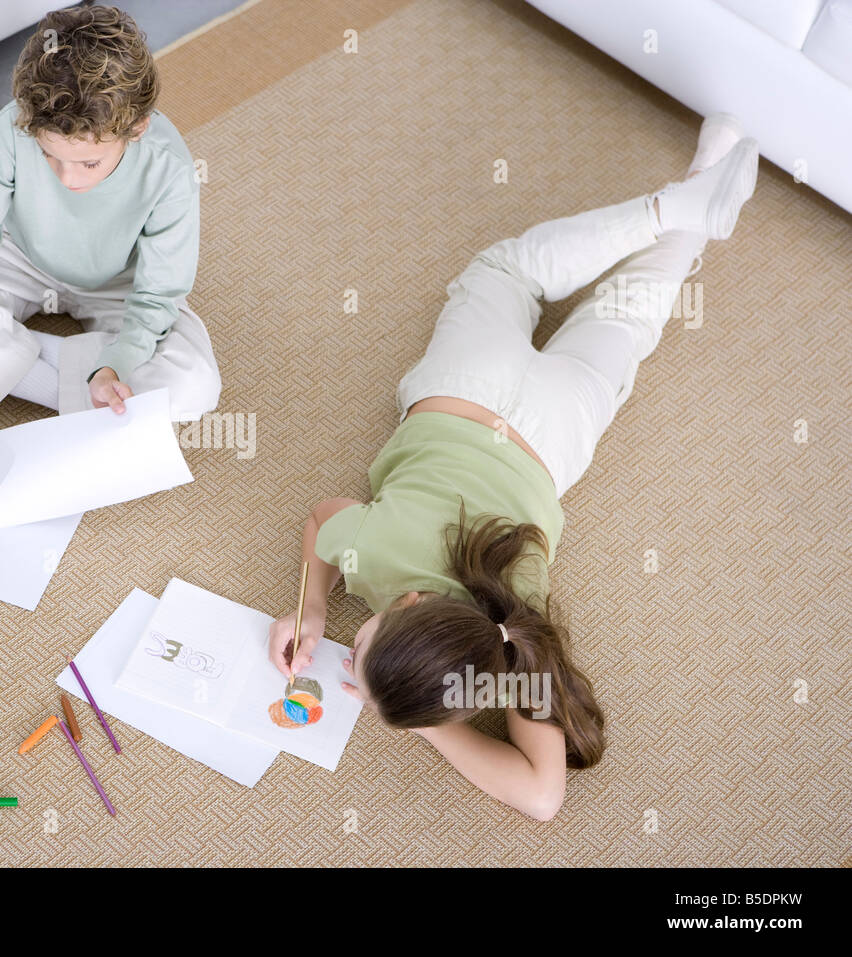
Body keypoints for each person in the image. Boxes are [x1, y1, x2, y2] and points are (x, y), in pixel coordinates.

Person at [267, 116, 758, 820]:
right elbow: (322, 517)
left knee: (629, 316)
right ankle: (671, 204)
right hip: (463, 388)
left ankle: (699, 185)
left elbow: (542, 796)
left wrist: (426, 715)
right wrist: (317, 610)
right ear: (408, 606)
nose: (345, 661)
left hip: (555, 430)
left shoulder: (515, 633)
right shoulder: (375, 553)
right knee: (509, 269)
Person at [0, 4, 222, 420]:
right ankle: (85, 383)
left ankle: (43, 366)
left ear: (138, 128)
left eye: (89, 163)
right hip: (18, 260)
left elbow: (159, 293)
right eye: (49, 156)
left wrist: (119, 362)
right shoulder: (10, 129)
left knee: (195, 387)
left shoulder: (169, 168)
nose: (68, 180)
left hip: (119, 285)